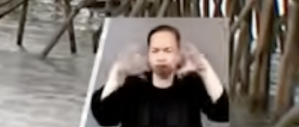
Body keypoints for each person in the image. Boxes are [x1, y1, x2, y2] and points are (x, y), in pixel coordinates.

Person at [90, 24, 230, 127]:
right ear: (148, 56)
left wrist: (205, 70)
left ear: (178, 55)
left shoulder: (191, 85)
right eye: (155, 51)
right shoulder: (133, 86)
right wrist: (116, 75)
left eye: (168, 51)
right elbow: (104, 118)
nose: (161, 57)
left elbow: (222, 113)